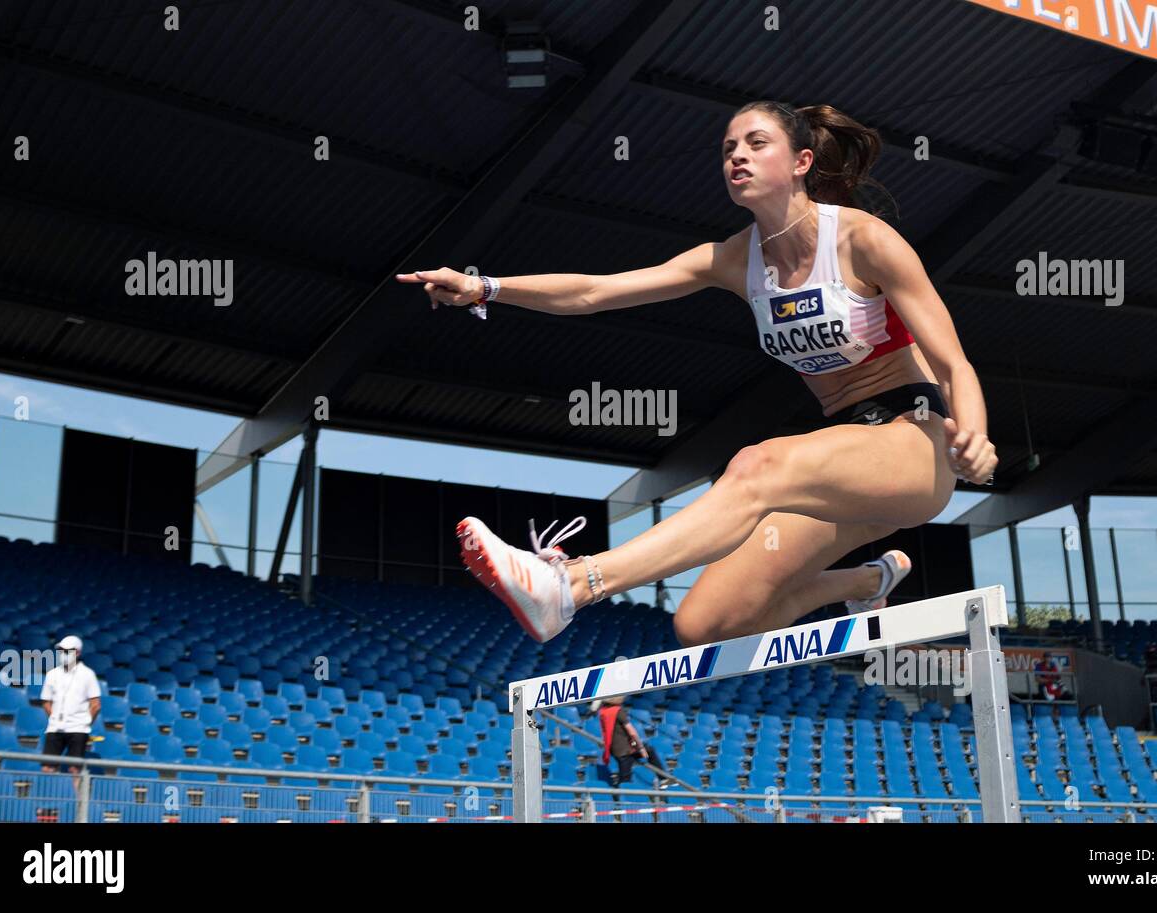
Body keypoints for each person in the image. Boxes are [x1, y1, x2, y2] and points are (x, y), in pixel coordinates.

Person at [403, 100, 997, 645]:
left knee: (756, 465)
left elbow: (953, 361)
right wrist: (485, 287)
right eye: (727, 148)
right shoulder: (733, 259)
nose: (736, 155)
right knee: (702, 625)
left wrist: (975, 436)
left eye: (756, 143)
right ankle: (866, 583)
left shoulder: (863, 240)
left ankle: (575, 584)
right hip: (843, 472)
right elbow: (594, 292)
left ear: (801, 162)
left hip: (911, 440)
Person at [40, 635, 101, 775]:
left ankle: (77, 797)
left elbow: (95, 705)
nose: (63, 654)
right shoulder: (52, 674)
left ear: (77, 653)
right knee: (47, 768)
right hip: (55, 728)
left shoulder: (88, 674)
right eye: (61, 651)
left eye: (66, 651)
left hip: (78, 729)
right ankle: (50, 795)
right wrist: (55, 717)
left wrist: (84, 724)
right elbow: (46, 701)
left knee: (75, 770)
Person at [592, 697, 670, 787]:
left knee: (625, 777)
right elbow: (632, 733)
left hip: (616, 750)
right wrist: (640, 748)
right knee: (648, 752)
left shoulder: (603, 712)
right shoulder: (618, 711)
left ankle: (663, 779)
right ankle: (663, 778)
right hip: (626, 751)